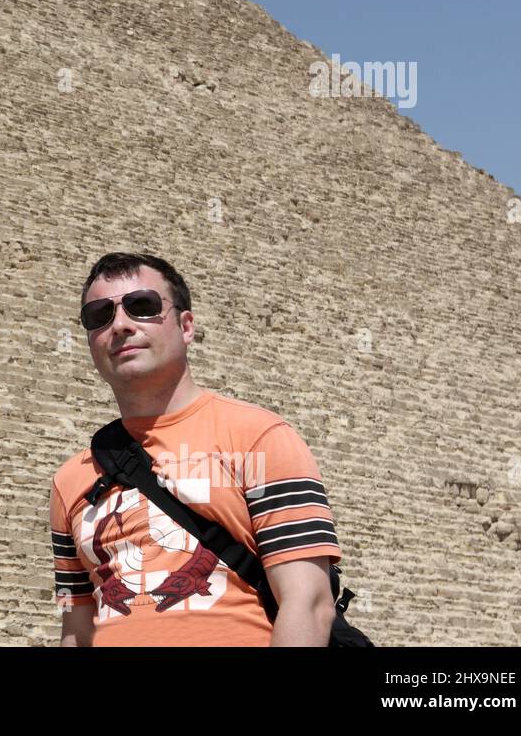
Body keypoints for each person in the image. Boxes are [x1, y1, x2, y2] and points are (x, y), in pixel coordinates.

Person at [52, 252, 340, 646]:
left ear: (186, 326)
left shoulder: (260, 438)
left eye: (142, 306)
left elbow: (309, 603)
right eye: (99, 315)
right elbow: (76, 628)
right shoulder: (71, 480)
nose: (119, 325)